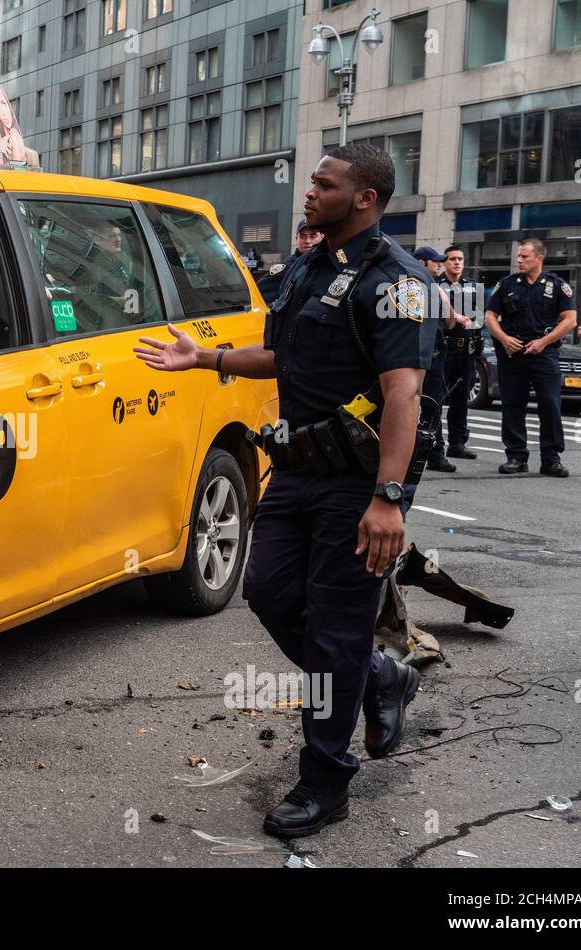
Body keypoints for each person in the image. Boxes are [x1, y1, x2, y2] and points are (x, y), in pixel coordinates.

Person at [134, 143, 432, 838]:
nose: (309, 192)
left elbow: (404, 393)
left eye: (325, 184)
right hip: (297, 467)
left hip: (358, 481)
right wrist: (205, 356)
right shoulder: (305, 267)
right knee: (266, 591)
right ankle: (381, 679)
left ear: (364, 198)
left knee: (334, 627)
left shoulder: (396, 282)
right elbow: (282, 354)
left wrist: (387, 497)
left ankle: (326, 781)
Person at [484, 239, 577, 477]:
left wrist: (543, 342)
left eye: (524, 256)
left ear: (539, 258)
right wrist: (504, 339)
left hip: (544, 352)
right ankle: (516, 456)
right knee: (513, 404)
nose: (519, 260)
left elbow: (570, 320)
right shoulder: (507, 284)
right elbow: (490, 316)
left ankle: (551, 458)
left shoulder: (556, 286)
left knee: (550, 404)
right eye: (518, 256)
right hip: (513, 352)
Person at [413, 246, 457, 473]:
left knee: (434, 408)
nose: (441, 265)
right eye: (436, 262)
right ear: (422, 263)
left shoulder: (437, 289)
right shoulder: (408, 287)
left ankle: (435, 454)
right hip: (413, 359)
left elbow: (449, 323)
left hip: (436, 358)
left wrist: (443, 296)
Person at [439, 245, 481, 460]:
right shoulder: (435, 286)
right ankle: (432, 443)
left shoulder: (473, 288)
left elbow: (481, 318)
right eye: (453, 259)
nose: (457, 262)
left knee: (460, 398)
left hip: (466, 348)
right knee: (436, 396)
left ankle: (457, 443)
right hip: (443, 348)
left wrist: (472, 322)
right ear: (444, 262)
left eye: (460, 259)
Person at [256, 219, 323, 304]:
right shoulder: (288, 266)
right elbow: (258, 291)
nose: (308, 241)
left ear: (322, 237)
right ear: (296, 239)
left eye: (312, 236)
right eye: (302, 236)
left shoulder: (328, 263)